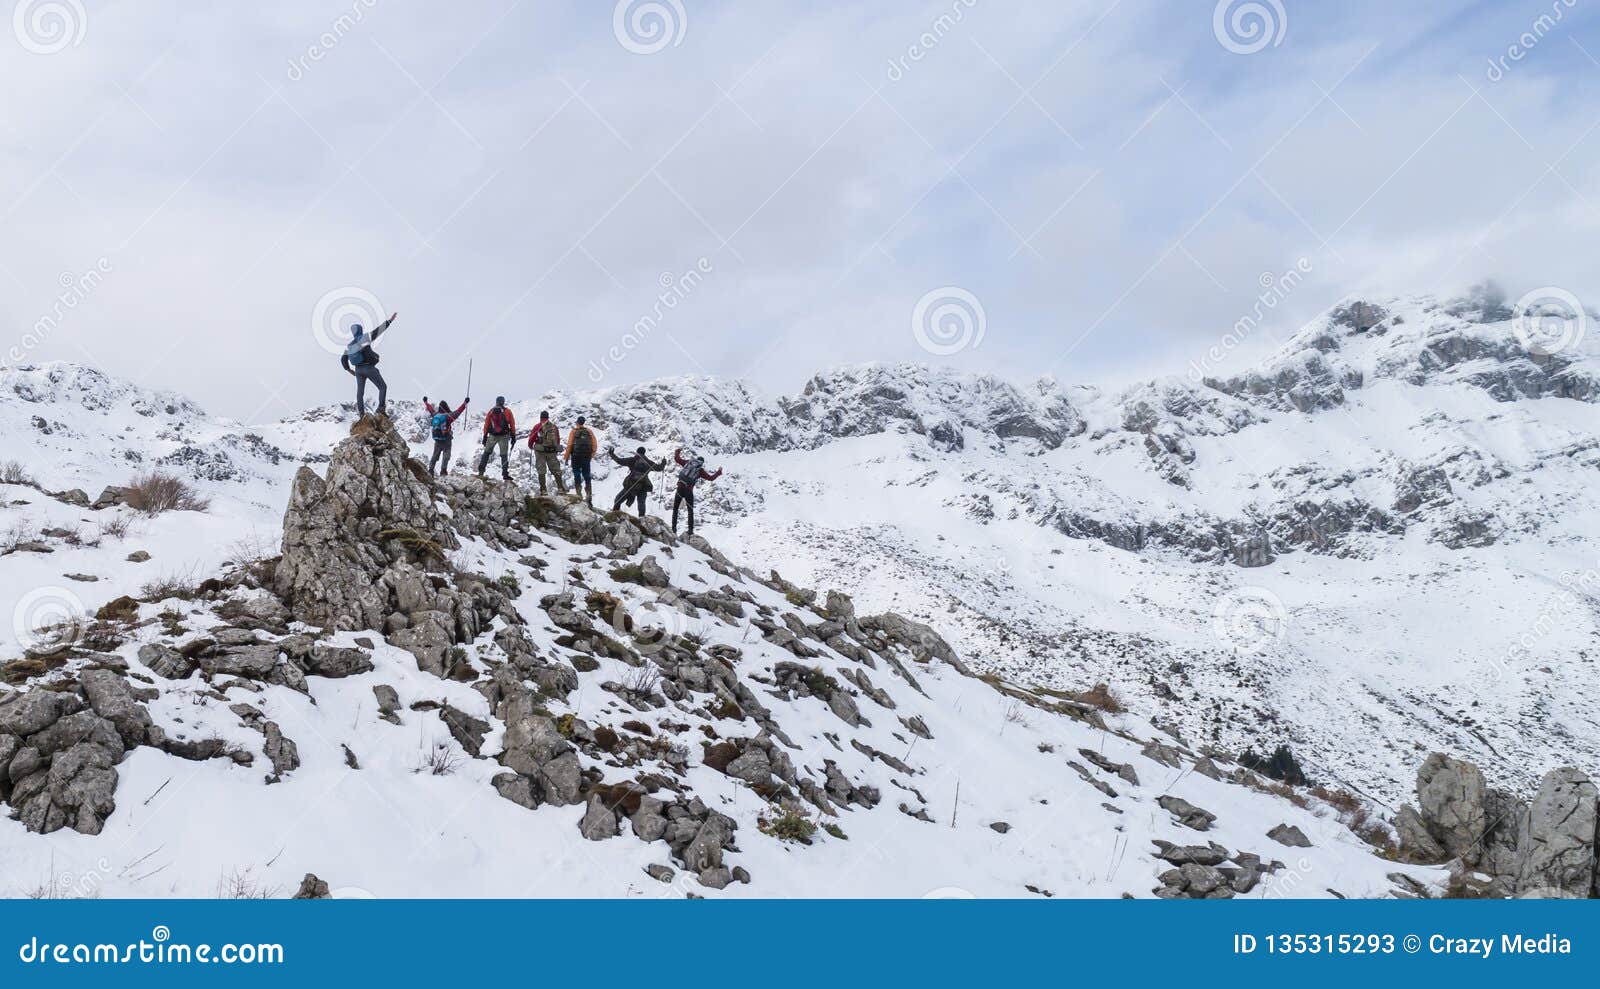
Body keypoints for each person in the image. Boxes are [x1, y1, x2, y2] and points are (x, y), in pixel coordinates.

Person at [339, 313, 398, 417]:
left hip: (358, 370)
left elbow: (343, 359)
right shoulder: (365, 337)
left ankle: (361, 414)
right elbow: (378, 331)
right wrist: (389, 321)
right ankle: (381, 409)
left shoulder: (349, 345)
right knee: (382, 387)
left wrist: (349, 370)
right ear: (360, 330)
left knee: (360, 393)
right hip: (368, 367)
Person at [671, 447, 722, 537]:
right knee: (690, 511)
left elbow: (677, 459)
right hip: (688, 491)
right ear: (702, 463)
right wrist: (719, 472)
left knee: (675, 509)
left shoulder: (688, 463)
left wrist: (677, 451)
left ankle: (673, 529)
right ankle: (690, 531)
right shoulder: (700, 470)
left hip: (680, 488)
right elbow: (711, 478)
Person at [609, 446, 665, 517]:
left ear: (637, 452)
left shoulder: (633, 459)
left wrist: (611, 454)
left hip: (631, 484)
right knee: (641, 503)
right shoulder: (649, 463)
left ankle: (615, 515)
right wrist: (663, 462)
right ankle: (642, 519)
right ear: (644, 453)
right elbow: (659, 468)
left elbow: (619, 461)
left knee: (618, 499)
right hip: (643, 485)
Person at [422, 395, 469, 477]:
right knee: (446, 456)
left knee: (435, 455)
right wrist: (465, 403)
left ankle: (430, 470)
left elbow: (430, 409)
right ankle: (443, 471)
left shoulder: (435, 414)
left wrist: (426, 402)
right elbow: (458, 412)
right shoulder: (448, 416)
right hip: (446, 439)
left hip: (437, 440)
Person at [527, 411, 567, 496]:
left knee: (541, 470)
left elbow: (532, 438)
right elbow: (557, 439)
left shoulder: (538, 426)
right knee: (556, 469)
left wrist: (530, 445)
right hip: (551, 451)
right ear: (548, 417)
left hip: (540, 451)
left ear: (541, 417)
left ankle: (543, 490)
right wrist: (555, 449)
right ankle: (560, 488)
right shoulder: (554, 427)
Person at [477, 396, 516, 480]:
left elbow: (486, 424)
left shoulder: (491, 411)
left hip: (492, 436)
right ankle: (505, 474)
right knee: (504, 455)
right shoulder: (508, 411)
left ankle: (481, 472)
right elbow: (512, 424)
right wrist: (513, 436)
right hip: (504, 436)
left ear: (496, 402)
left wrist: (485, 436)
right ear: (503, 402)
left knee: (486, 453)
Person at [564, 415, 598, 505]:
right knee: (587, 475)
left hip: (576, 457)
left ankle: (579, 494)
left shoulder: (573, 431)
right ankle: (589, 495)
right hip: (586, 457)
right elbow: (595, 444)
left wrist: (566, 457)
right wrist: (591, 455)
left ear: (577, 423)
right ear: (584, 423)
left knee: (577, 474)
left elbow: (570, 445)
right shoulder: (589, 431)